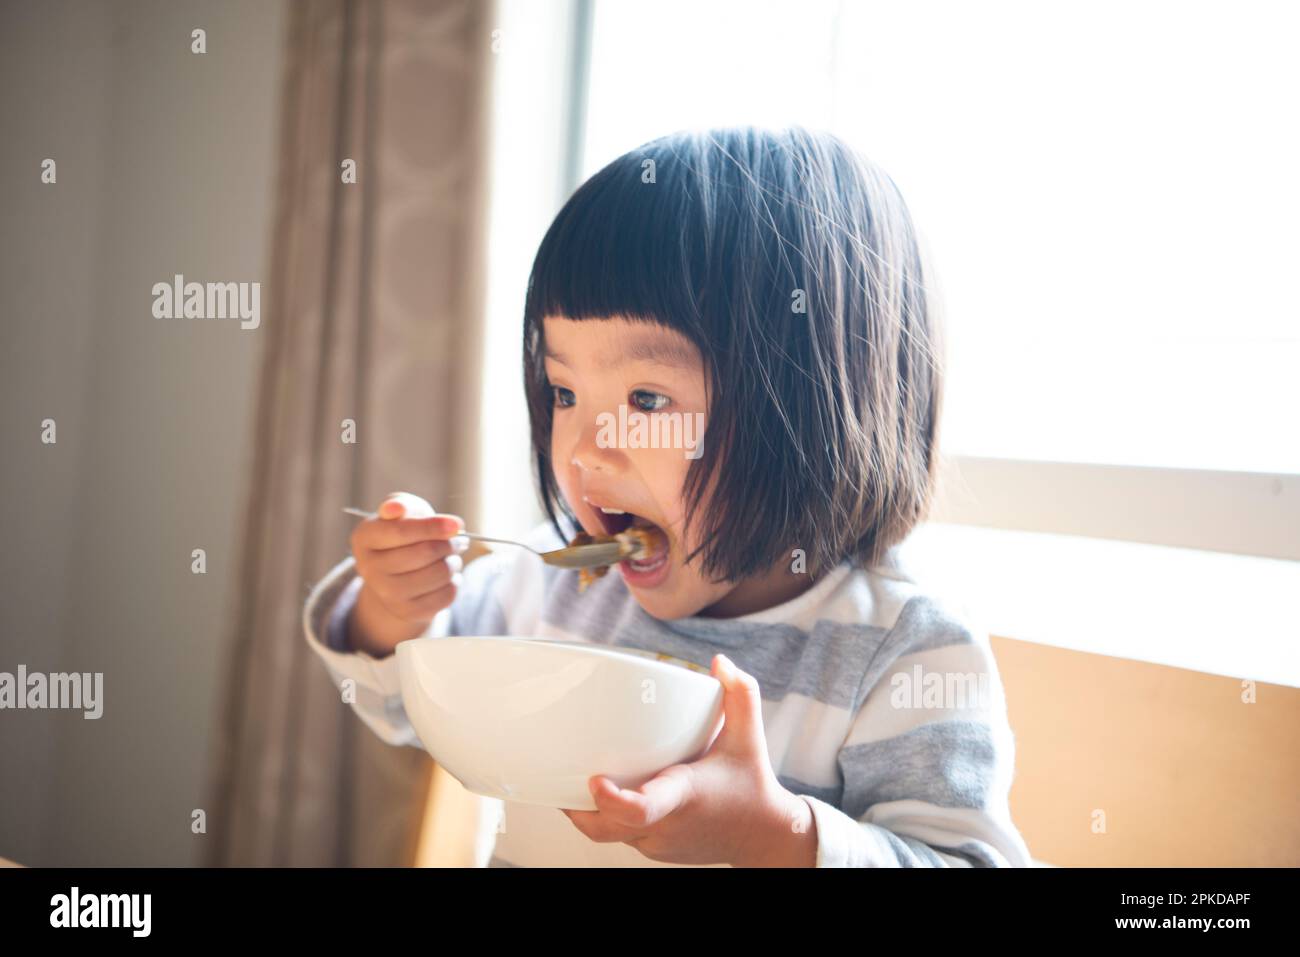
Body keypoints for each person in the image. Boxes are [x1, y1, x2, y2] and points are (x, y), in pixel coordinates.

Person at [302, 127, 1033, 867]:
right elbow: (404, 702)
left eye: (646, 399)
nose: (585, 448)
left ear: (806, 410)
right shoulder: (557, 588)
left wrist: (776, 834)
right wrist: (394, 607)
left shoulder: (901, 654)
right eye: (563, 391)